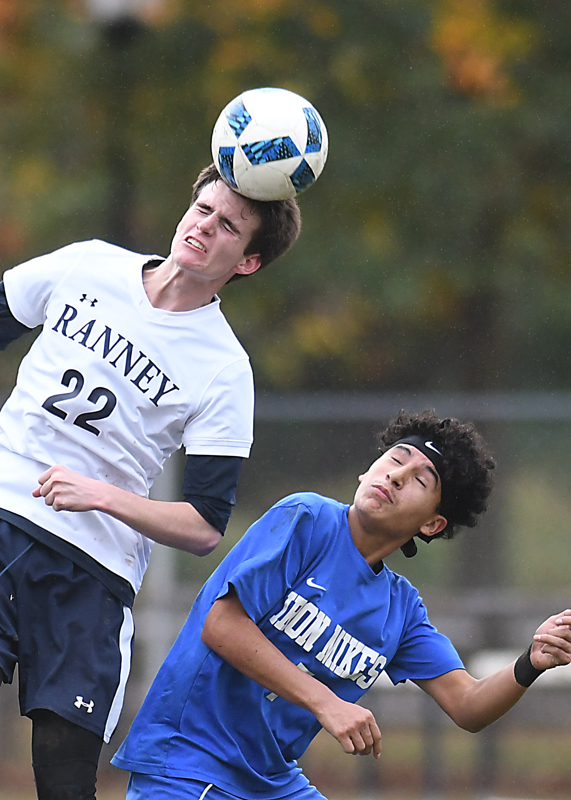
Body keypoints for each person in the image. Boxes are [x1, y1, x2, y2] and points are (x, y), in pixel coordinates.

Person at [0, 162, 301, 800]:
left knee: (65, 776)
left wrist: (101, 496)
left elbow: (204, 525)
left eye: (228, 228)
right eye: (203, 210)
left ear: (246, 263)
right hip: (4, 509)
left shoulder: (225, 368)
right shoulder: (89, 264)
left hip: (91, 570)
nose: (204, 228)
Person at [112, 410, 571, 800]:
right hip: (190, 760)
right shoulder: (306, 519)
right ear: (367, 470)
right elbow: (220, 623)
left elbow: (468, 705)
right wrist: (326, 703)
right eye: (395, 459)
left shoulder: (400, 610)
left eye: (419, 479)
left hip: (268, 780)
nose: (395, 475)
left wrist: (531, 662)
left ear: (432, 523)